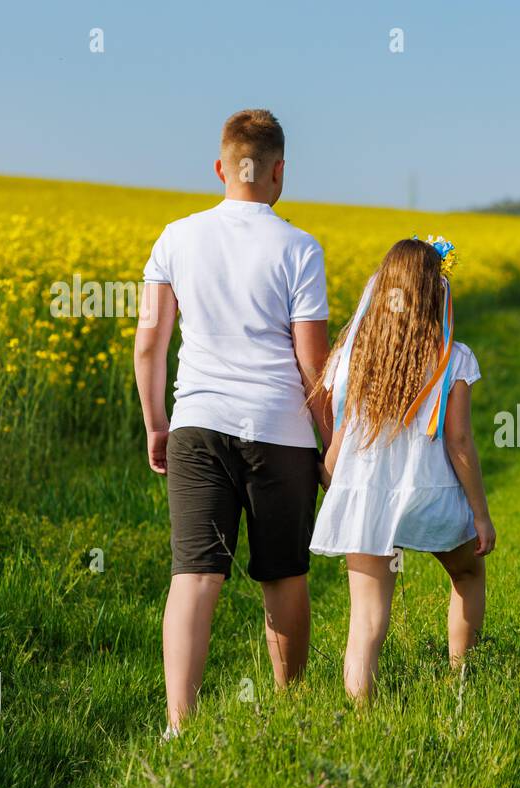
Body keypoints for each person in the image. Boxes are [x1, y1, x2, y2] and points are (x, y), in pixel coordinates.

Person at [133, 109, 333, 736]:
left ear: (221, 168)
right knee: (285, 572)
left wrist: (157, 423)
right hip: (281, 433)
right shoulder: (300, 248)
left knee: (194, 574)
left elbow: (148, 345)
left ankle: (178, 725)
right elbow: (314, 365)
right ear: (280, 174)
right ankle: (291, 709)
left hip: (196, 423)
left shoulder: (175, 237)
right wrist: (334, 447)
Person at [309, 237, 495, 702]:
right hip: (430, 495)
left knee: (367, 619)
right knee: (468, 575)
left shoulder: (354, 353)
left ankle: (359, 720)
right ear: (436, 290)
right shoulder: (453, 356)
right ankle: (461, 685)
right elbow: (460, 443)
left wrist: (332, 474)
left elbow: (342, 425)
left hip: (368, 494)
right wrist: (481, 513)